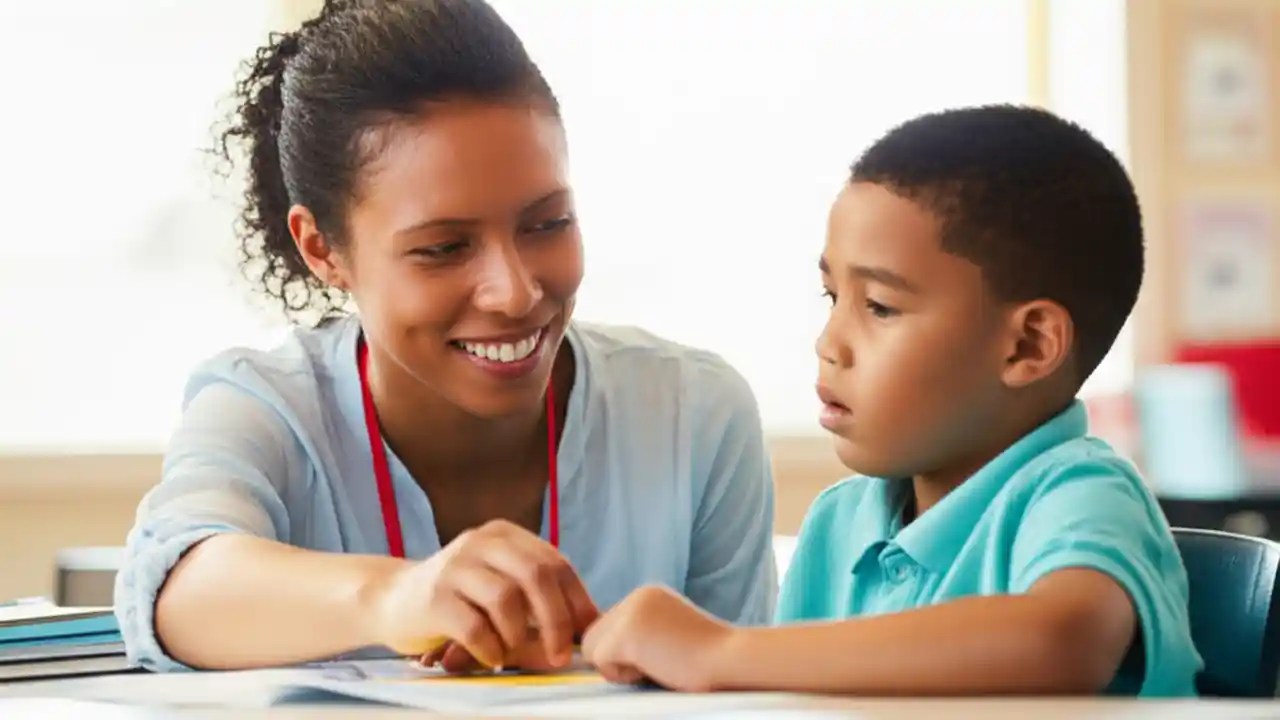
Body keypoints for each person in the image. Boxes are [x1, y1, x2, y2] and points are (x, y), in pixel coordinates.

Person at [113, 0, 776, 673]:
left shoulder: (694, 415)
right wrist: (400, 599)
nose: (515, 292)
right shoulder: (264, 409)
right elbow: (176, 590)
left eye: (547, 224)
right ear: (322, 249)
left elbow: (742, 696)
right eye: (443, 247)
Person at [580, 105, 1203, 696]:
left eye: (879, 307)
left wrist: (721, 652)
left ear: (1027, 345)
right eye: (832, 298)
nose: (829, 343)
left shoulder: (1080, 491)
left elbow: (1063, 640)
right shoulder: (839, 523)